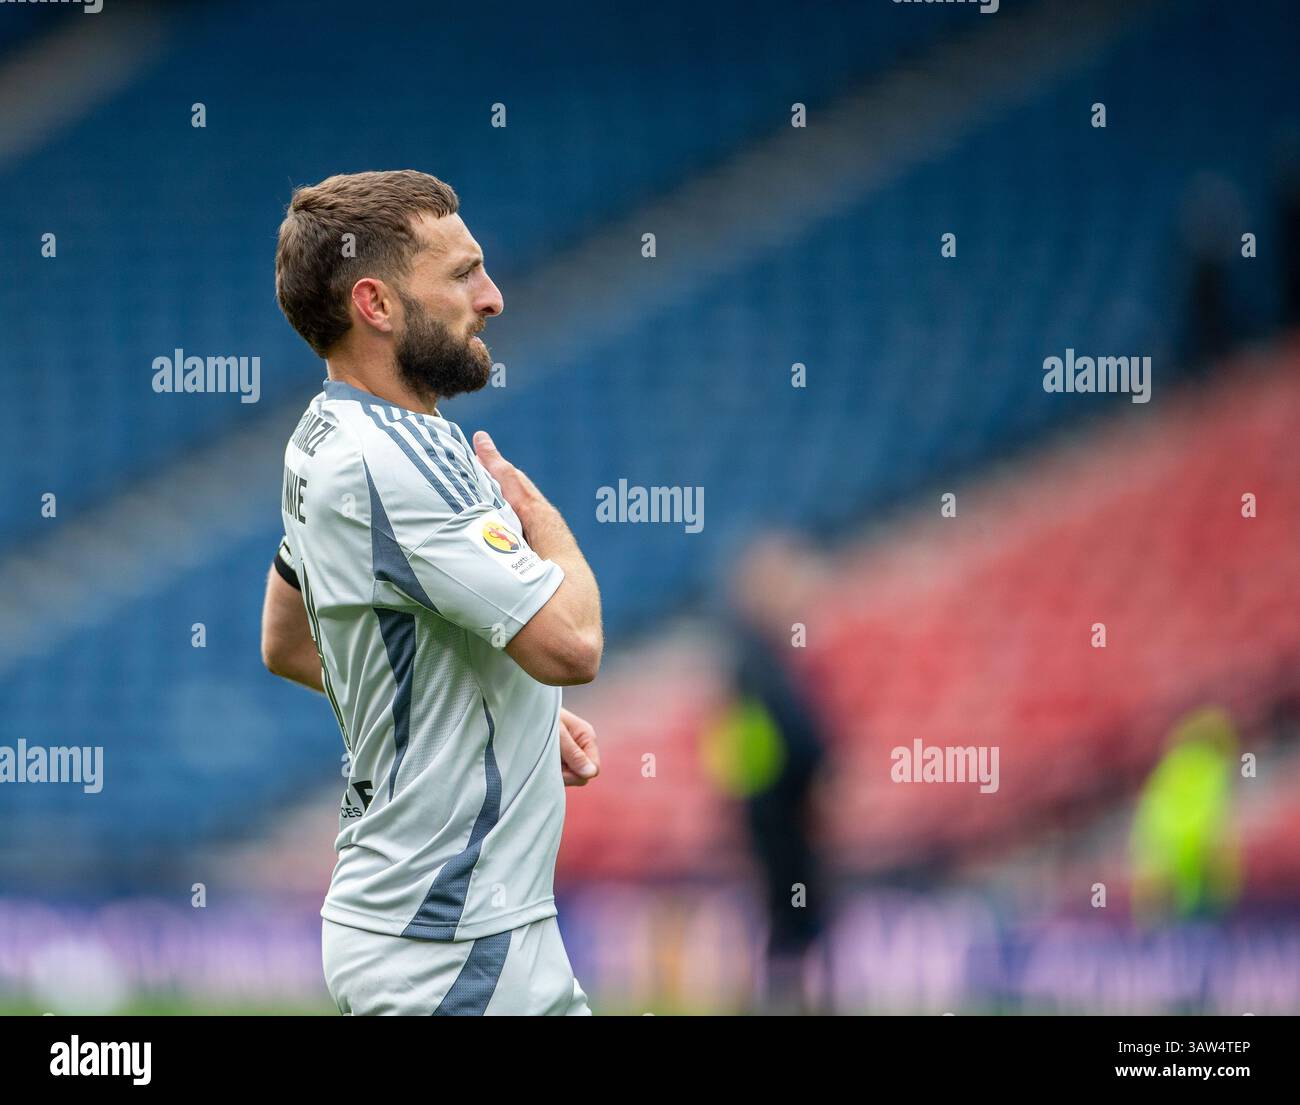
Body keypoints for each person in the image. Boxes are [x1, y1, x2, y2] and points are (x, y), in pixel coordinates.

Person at [260, 170, 603, 1015]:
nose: (491, 297)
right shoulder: (396, 464)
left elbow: (289, 638)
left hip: (444, 930)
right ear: (375, 303)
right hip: (449, 946)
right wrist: (543, 519)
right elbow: (573, 644)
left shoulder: (325, 433)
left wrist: (505, 709)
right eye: (462, 273)